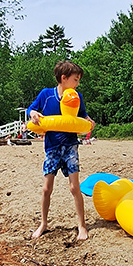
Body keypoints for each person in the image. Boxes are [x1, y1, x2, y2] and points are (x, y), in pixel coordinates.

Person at [27, 60, 95, 241]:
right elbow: (31, 109)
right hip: (52, 147)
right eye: (76, 79)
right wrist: (33, 114)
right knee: (46, 188)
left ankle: (82, 225)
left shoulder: (76, 97)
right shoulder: (46, 95)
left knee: (75, 187)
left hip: (71, 146)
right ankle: (43, 223)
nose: (78, 83)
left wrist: (89, 121)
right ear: (63, 78)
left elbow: (83, 116)